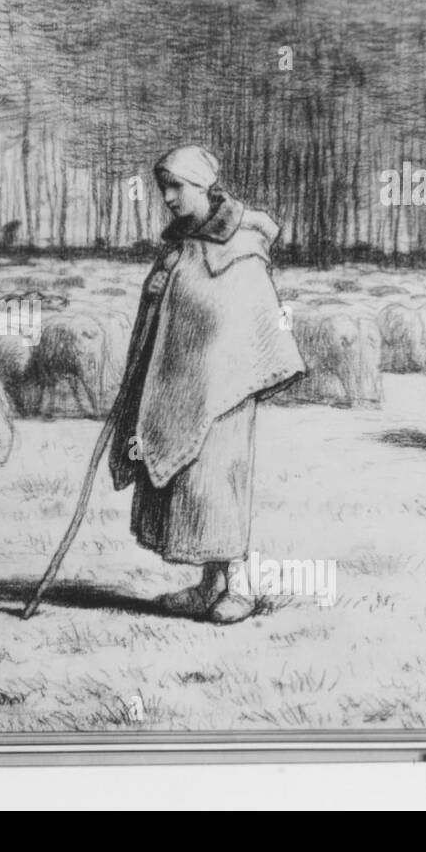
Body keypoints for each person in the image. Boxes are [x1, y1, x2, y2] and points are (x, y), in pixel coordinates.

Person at [108, 144, 306, 623]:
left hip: (224, 394)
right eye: (164, 189)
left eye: (177, 187)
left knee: (218, 489)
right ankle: (208, 587)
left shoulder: (242, 247)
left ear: (202, 185)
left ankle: (239, 589)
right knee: (192, 494)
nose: (169, 198)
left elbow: (249, 322)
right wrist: (157, 296)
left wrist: (218, 369)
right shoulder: (180, 247)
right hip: (181, 390)